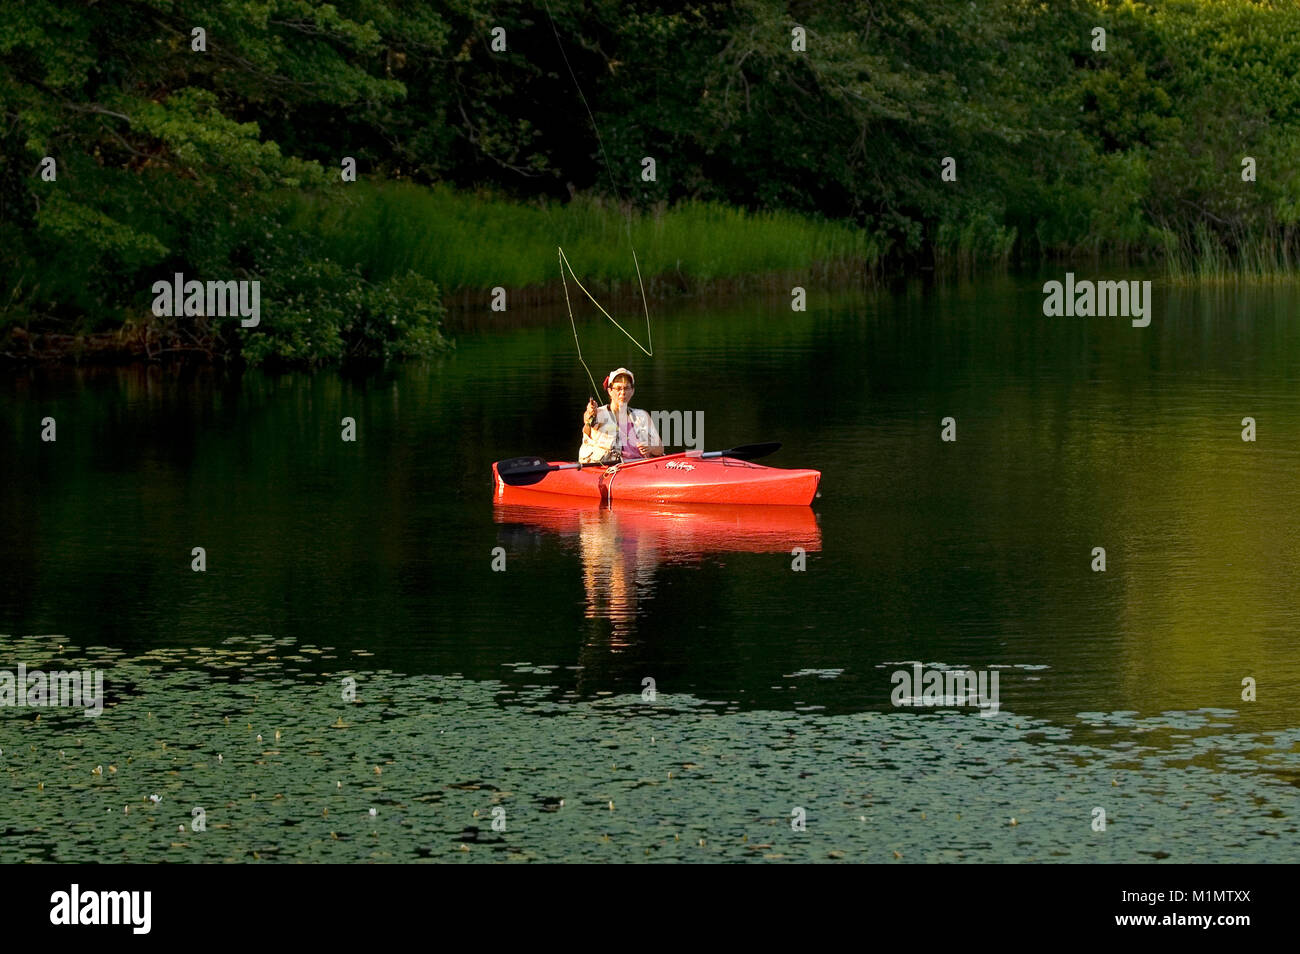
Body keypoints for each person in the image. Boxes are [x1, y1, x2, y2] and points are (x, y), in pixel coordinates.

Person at [579, 367, 664, 464]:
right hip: (614, 469)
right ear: (610, 391)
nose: (623, 392)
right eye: (618, 388)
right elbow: (587, 420)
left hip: (641, 466)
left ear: (632, 391)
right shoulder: (598, 414)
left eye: (627, 388)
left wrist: (651, 448)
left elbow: (660, 449)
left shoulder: (642, 415)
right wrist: (590, 412)